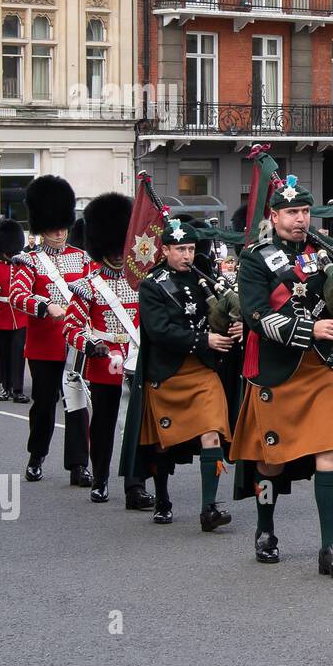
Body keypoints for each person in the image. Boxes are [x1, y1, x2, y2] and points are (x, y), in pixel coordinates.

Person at [229, 174, 333, 577]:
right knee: (271, 461)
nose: (300, 219)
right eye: (292, 212)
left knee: (331, 452)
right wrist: (309, 329)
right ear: (274, 216)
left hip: (325, 366)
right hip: (279, 370)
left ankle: (330, 547)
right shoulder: (255, 259)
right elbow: (256, 315)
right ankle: (265, 528)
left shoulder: (327, 251)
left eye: (305, 211)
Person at [119, 218, 236, 529]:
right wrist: (204, 339)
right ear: (166, 249)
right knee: (163, 442)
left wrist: (233, 325)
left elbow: (219, 315)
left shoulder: (205, 278)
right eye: (180, 249)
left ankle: (209, 508)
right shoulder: (152, 285)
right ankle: (162, 498)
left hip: (202, 371)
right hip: (167, 373)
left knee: (212, 433)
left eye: (191, 249)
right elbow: (159, 331)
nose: (187, 255)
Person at [10, 175, 95, 487]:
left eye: (62, 226)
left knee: (76, 402)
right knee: (44, 404)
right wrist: (45, 306)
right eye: (52, 227)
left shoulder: (82, 258)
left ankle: (77, 465)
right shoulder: (28, 260)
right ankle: (36, 455)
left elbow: (94, 293)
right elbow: (19, 296)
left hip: (74, 344)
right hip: (44, 344)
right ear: (41, 227)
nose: (59, 232)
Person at [62, 193, 137, 505]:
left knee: (136, 428)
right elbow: (71, 328)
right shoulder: (89, 286)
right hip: (104, 362)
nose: (118, 256)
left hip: (136, 359)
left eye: (121, 248)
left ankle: (135, 483)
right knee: (104, 425)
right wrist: (89, 344)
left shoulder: (140, 282)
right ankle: (102, 478)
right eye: (112, 249)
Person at [0, 219, 30, 404]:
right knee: (4, 353)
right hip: (2, 314)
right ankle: (5, 387)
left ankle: (18, 389)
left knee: (18, 353)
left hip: (20, 315)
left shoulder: (22, 264)